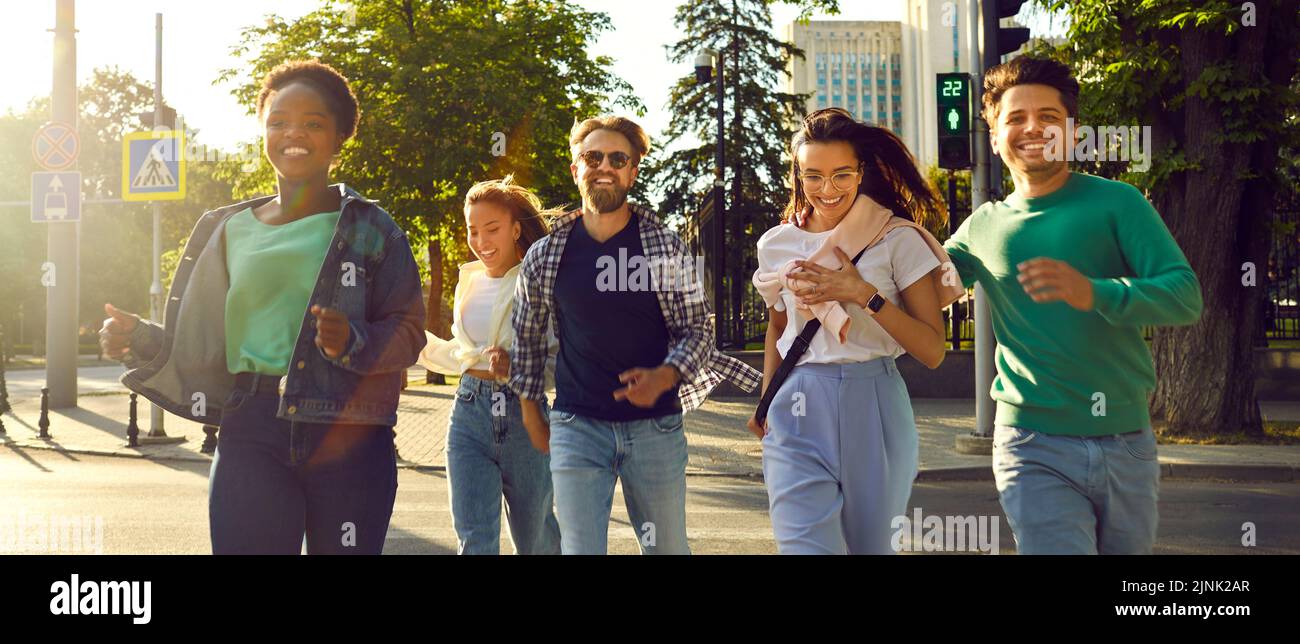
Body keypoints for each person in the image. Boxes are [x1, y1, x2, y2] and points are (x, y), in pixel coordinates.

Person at [99, 60, 426, 555]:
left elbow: (409, 331)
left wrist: (352, 341)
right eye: (278, 122)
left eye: (313, 122)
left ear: (340, 137)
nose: (293, 133)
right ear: (263, 132)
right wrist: (138, 337)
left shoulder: (372, 228)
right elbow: (203, 338)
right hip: (250, 427)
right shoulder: (228, 230)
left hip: (349, 435)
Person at [943, 56, 1203, 554]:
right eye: (1015, 118)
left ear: (1073, 130)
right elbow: (923, 288)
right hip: (1029, 444)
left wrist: (1097, 292)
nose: (1032, 127)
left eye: (1048, 116)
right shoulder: (981, 227)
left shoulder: (1119, 203)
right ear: (994, 135)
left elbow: (1184, 297)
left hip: (1126, 440)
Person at [507, 115, 761, 555]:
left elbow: (698, 330)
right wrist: (532, 414)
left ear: (632, 171)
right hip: (576, 426)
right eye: (592, 156)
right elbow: (526, 339)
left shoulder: (663, 247)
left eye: (617, 158)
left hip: (655, 430)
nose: (604, 166)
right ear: (576, 168)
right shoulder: (546, 254)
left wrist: (664, 376)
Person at [749, 108, 963, 554]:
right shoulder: (775, 244)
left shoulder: (897, 239)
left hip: (875, 402)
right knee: (805, 546)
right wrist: (767, 399)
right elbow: (778, 328)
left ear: (861, 172)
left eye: (841, 175)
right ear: (798, 175)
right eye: (813, 176)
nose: (827, 190)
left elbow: (932, 350)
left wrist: (864, 293)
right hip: (797, 404)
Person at [417, 176, 561, 555]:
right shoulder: (471, 281)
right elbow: (465, 354)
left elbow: (558, 359)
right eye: (473, 231)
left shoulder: (539, 281)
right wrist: (414, 342)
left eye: (492, 229)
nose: (481, 242)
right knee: (475, 542)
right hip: (468, 413)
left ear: (516, 229)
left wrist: (517, 368)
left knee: (537, 541)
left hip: (524, 417)